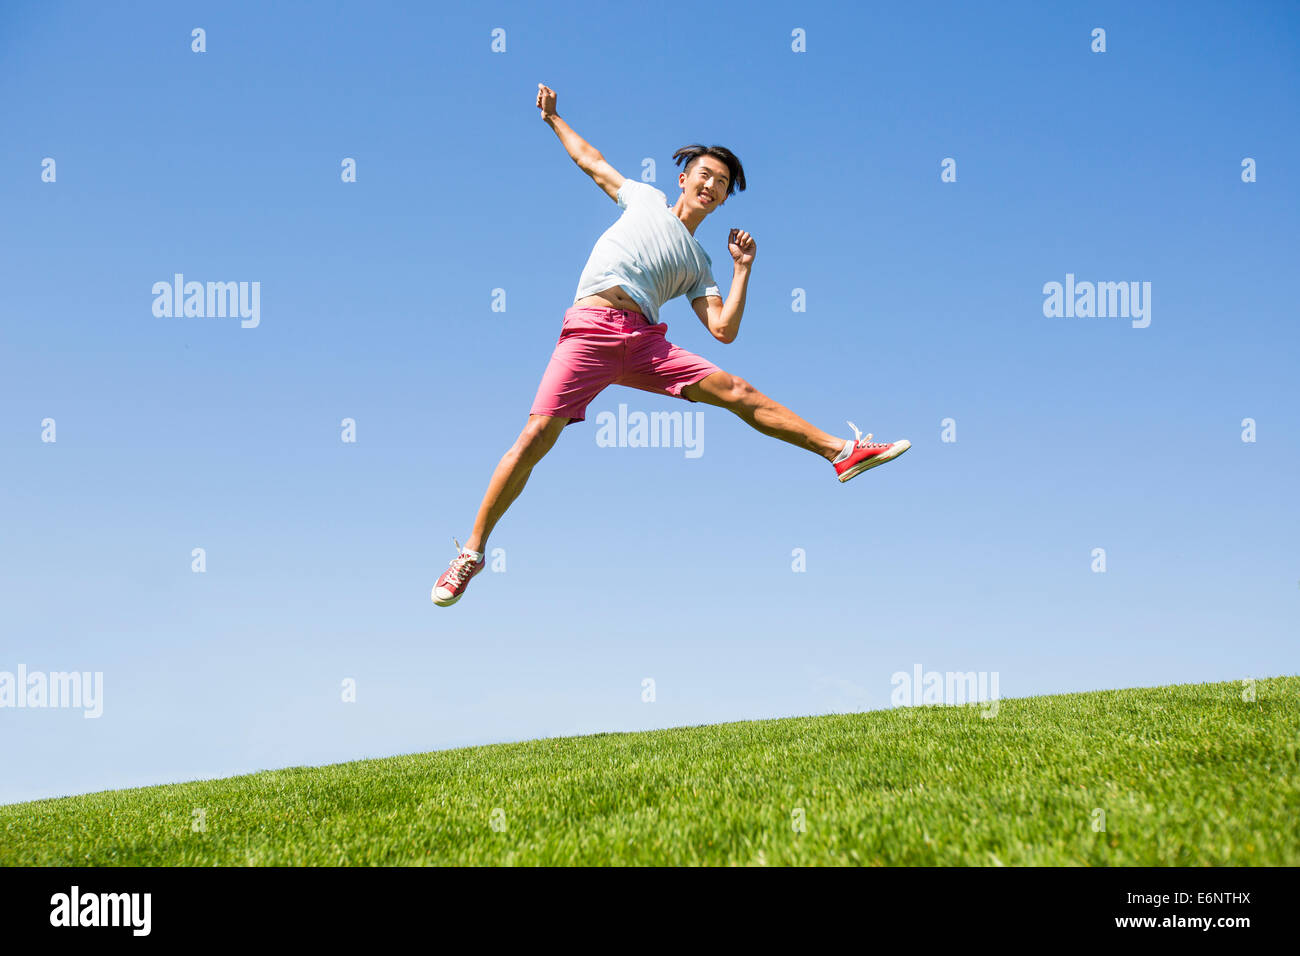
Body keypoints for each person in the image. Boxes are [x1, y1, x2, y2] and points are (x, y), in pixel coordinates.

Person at [432, 83, 910, 607]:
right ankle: (472, 553)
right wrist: (553, 119)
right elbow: (591, 161)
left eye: (722, 183)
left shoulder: (699, 264)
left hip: (643, 342)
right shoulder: (644, 197)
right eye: (704, 174)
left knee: (736, 390)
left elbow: (723, 329)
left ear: (724, 199)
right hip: (590, 332)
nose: (711, 184)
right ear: (684, 179)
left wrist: (742, 269)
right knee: (535, 438)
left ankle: (841, 453)